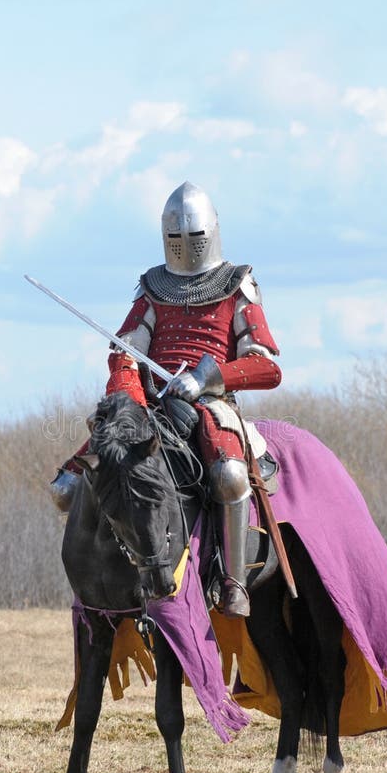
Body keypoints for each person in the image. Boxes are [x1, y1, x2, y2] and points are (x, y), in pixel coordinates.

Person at [53, 181, 281, 617]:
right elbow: (124, 352)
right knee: (66, 488)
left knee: (231, 474)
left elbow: (266, 365)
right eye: (176, 238)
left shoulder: (237, 284)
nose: (185, 246)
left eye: (193, 236)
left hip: (210, 402)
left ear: (212, 232)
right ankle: (102, 582)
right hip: (149, 404)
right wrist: (130, 399)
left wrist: (208, 378)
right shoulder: (153, 286)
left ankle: (233, 583)